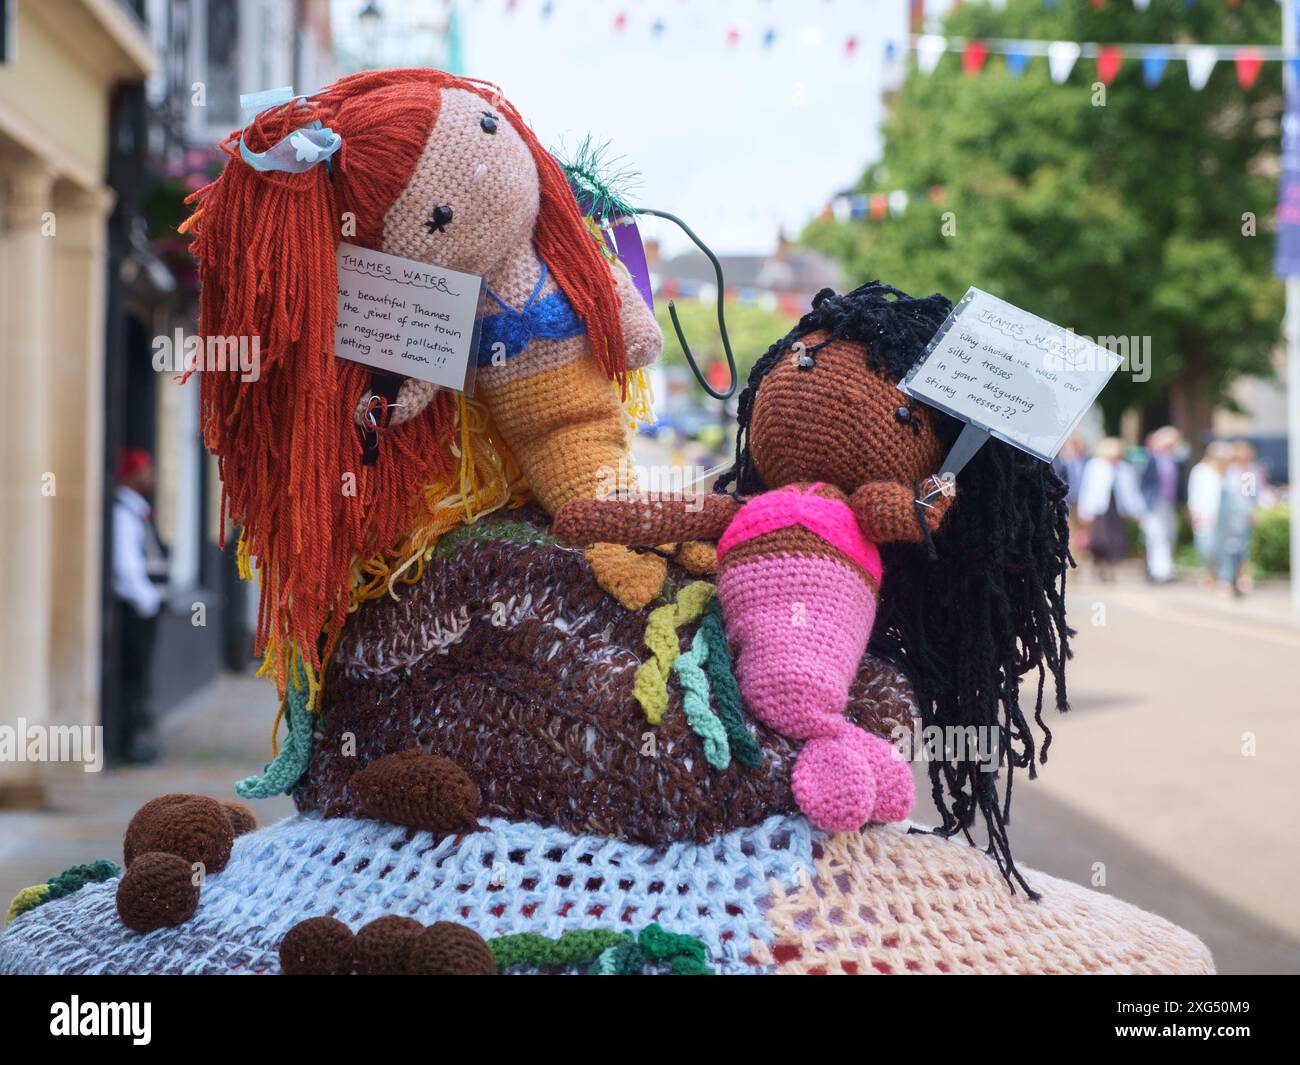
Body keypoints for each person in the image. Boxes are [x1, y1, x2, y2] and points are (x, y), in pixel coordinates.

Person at [112, 448, 168, 763]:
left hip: (143, 609)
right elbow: (126, 567)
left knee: (140, 675)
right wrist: (147, 601)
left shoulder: (136, 511)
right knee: (132, 675)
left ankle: (135, 735)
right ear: (133, 476)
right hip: (135, 611)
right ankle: (127, 742)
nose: (153, 478)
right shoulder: (123, 513)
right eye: (148, 471)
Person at [1077, 437, 1145, 582]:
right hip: (1099, 509)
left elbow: (1131, 492)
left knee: (1115, 541)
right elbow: (1087, 489)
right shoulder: (1094, 466)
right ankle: (1099, 565)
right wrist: (1085, 510)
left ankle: (1109, 569)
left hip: (1116, 510)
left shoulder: (1124, 468)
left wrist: (1138, 511)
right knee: (1099, 541)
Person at [1214, 440, 1262, 597]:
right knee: (1228, 548)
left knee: (1243, 548)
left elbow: (1249, 498)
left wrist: (1251, 513)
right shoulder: (1230, 472)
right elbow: (1224, 497)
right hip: (1228, 517)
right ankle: (1226, 578)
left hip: (1242, 517)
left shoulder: (1248, 473)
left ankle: (1242, 576)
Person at [1138, 425, 1184, 583]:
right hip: (1154, 504)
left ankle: (1165, 568)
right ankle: (1158, 570)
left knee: (1169, 535)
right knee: (1156, 536)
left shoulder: (1174, 460)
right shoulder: (1151, 459)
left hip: (1168, 503)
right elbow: (1143, 483)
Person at [1187, 440, 1232, 584]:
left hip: (1228, 516)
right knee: (1206, 546)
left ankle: (1225, 575)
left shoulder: (1232, 472)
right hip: (1206, 514)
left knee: (1227, 546)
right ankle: (1207, 573)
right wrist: (1195, 512)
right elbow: (1194, 494)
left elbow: (1247, 493)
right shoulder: (1201, 471)